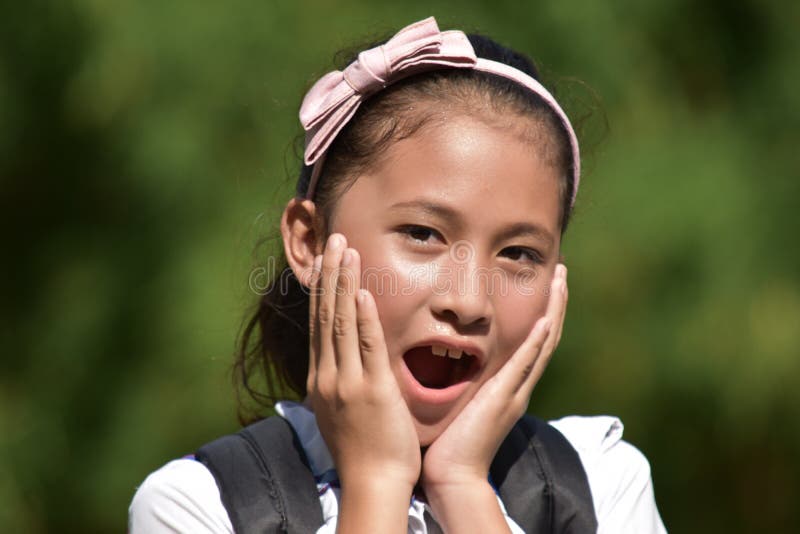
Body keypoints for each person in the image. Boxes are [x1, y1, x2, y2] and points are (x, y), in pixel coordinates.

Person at [129, 16, 667, 534]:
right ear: (309, 242)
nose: (469, 301)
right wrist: (376, 483)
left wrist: (463, 488)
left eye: (519, 253)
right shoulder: (204, 506)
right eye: (422, 233)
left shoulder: (599, 484)